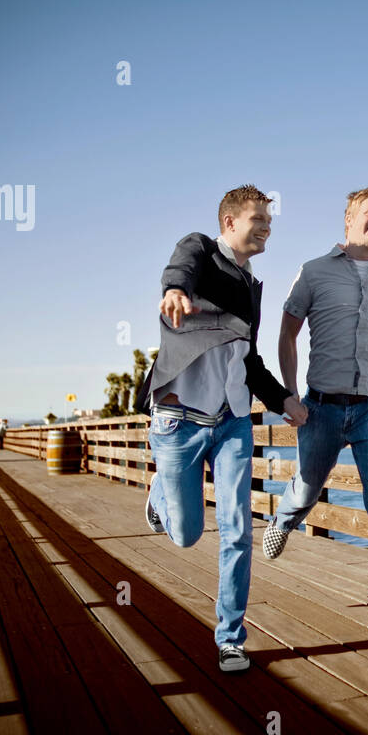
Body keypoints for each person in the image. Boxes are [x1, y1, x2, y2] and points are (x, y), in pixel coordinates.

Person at [133, 184, 307, 674]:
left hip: (232, 419)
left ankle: (231, 638)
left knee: (237, 528)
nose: (267, 225)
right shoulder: (201, 251)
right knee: (187, 535)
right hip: (180, 418)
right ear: (230, 222)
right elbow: (180, 269)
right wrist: (173, 290)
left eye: (270, 218)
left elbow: (247, 359)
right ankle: (162, 494)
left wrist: (283, 400)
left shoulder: (252, 285)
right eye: (258, 218)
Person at [263, 186, 368, 646]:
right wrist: (290, 395)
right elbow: (286, 335)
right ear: (349, 218)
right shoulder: (313, 273)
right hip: (321, 406)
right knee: (309, 487)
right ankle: (284, 520)